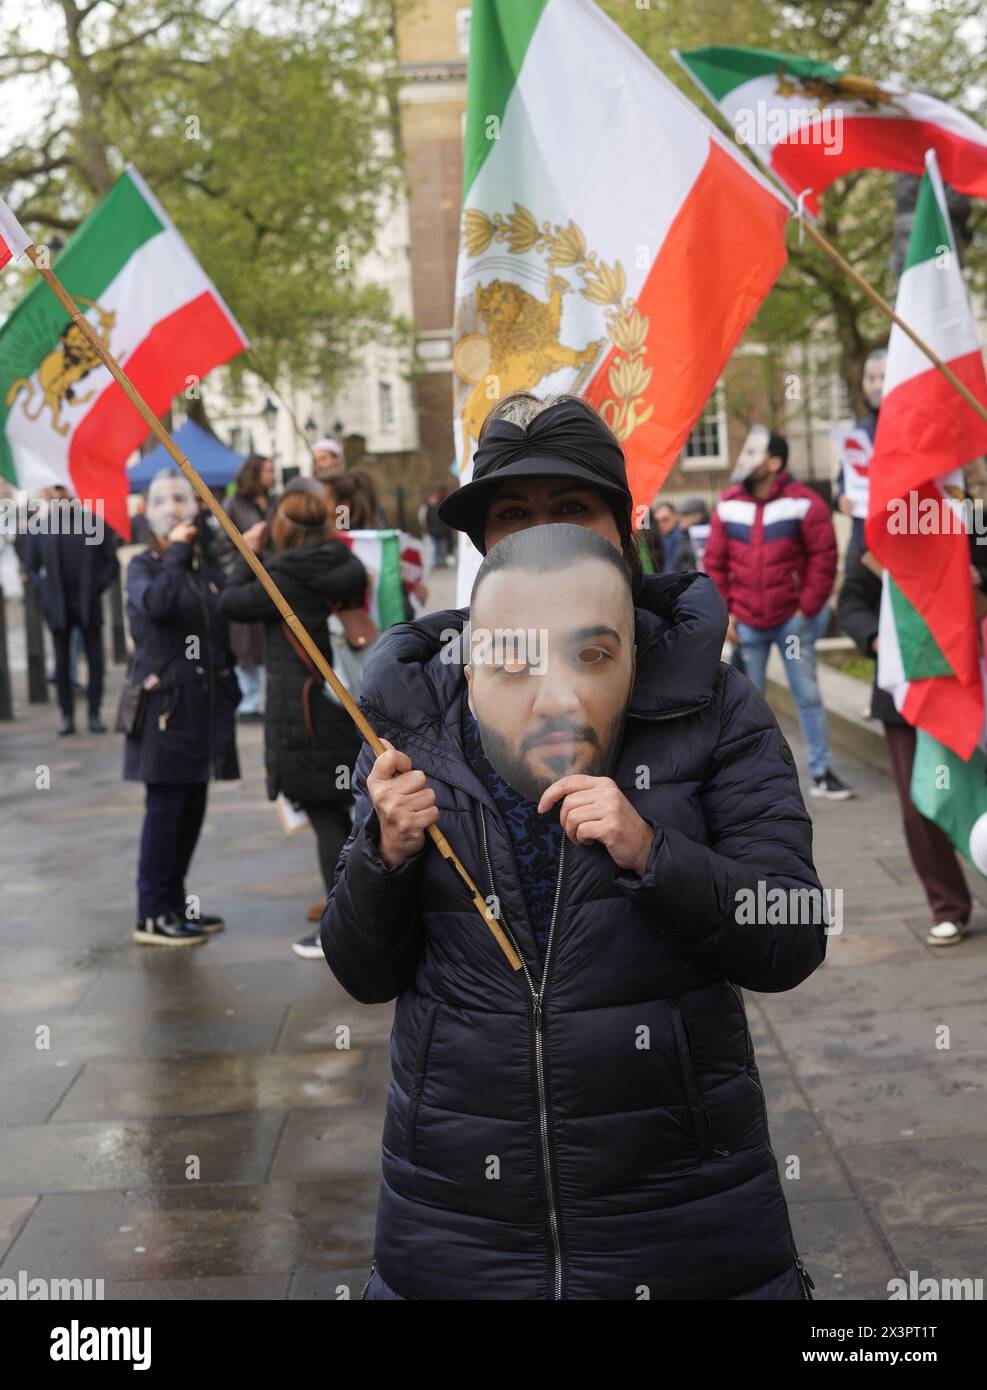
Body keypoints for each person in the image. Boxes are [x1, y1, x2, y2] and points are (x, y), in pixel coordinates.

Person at [322, 394, 826, 1301]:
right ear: (482, 547)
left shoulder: (713, 710)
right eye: (513, 517)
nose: (544, 538)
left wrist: (652, 854)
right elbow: (362, 970)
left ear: (621, 533)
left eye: (572, 510)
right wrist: (382, 857)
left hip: (679, 1212)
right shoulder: (413, 716)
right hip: (459, 1215)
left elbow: (788, 932)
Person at [220, 479, 368, 959]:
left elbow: (230, 602)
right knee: (348, 811)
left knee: (325, 814)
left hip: (304, 714)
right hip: (342, 706)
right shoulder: (346, 567)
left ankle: (342, 929)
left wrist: (249, 552)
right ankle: (363, 910)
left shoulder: (277, 576)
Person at [838, 538, 982, 947]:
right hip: (906, 693)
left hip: (971, 680)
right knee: (920, 802)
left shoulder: (973, 516)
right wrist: (878, 640)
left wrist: (980, 577)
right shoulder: (880, 524)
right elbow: (852, 598)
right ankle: (948, 905)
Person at [704, 427, 853, 800]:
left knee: (807, 695)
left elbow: (824, 557)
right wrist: (727, 614)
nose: (746, 458)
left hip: (791, 622)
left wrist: (807, 609)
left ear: (774, 461)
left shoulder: (804, 503)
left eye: (755, 452)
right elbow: (714, 564)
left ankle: (821, 772)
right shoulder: (727, 504)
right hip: (746, 623)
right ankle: (749, 779)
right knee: (744, 702)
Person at [124, 471, 240, 946]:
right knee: (166, 813)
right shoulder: (145, 567)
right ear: (147, 511)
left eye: (182, 497)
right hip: (165, 712)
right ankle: (151, 914)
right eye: (162, 499)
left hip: (201, 709)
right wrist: (174, 551)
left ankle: (174, 905)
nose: (174, 506)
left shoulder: (196, 567)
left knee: (191, 811)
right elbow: (157, 607)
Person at [24, 485, 118, 736]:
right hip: (59, 609)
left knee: (96, 663)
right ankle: (66, 715)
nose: (63, 494)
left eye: (66, 489)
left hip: (88, 606)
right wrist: (45, 590)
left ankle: (94, 713)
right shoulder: (42, 527)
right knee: (62, 664)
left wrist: (96, 587)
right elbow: (31, 568)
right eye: (58, 489)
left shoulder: (93, 522)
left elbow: (111, 563)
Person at [220, 453, 276, 721]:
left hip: (273, 580)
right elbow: (222, 547)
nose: (272, 475)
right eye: (267, 470)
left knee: (268, 640)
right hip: (246, 580)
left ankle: (261, 699)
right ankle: (249, 702)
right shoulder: (233, 504)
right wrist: (245, 552)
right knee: (246, 643)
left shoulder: (275, 503)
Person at [833, 348, 887, 561]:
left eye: (883, 377)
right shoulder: (860, 431)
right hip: (862, 547)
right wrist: (841, 499)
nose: (876, 386)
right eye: (870, 378)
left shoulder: (911, 428)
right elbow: (843, 481)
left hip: (902, 543)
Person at [651, 500, 695, 574]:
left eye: (665, 520)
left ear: (675, 517)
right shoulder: (657, 539)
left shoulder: (685, 536)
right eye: (658, 521)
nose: (661, 524)